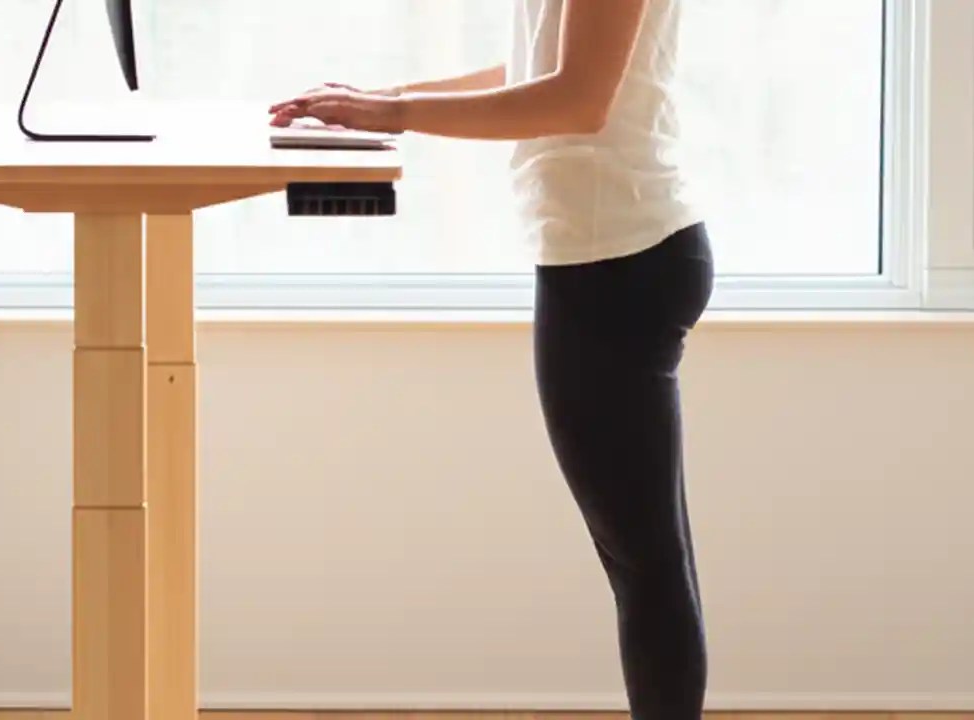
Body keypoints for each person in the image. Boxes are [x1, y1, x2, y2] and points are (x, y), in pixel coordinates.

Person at [269, 1, 713, 718]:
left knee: (645, 565)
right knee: (645, 560)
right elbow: (538, 67)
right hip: (605, 252)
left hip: (615, 257)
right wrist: (383, 101)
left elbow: (578, 100)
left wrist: (398, 115)